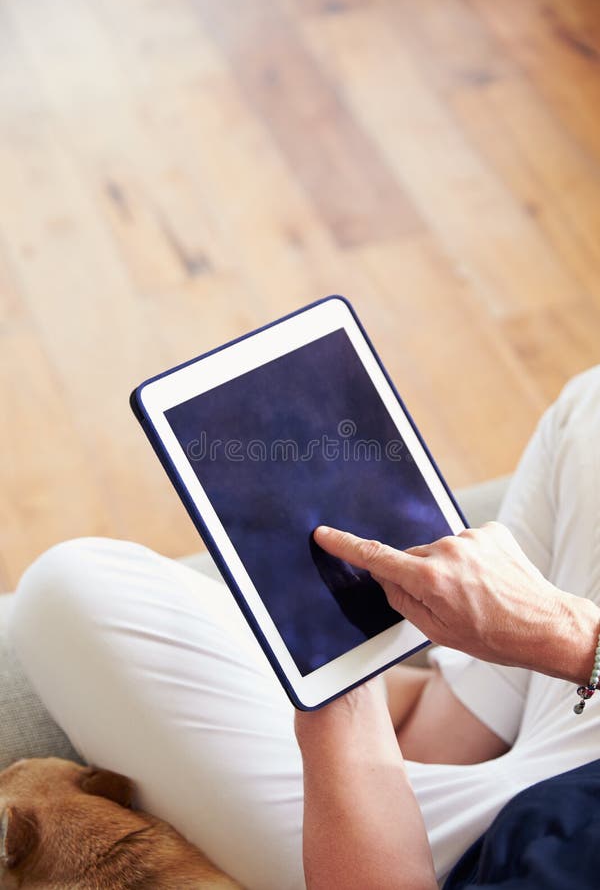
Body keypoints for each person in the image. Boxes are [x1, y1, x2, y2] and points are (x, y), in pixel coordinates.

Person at [9, 365, 600, 890]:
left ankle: (409, 737)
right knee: (591, 404)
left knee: (67, 586)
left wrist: (338, 696)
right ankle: (454, 719)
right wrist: (563, 635)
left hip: (472, 845)